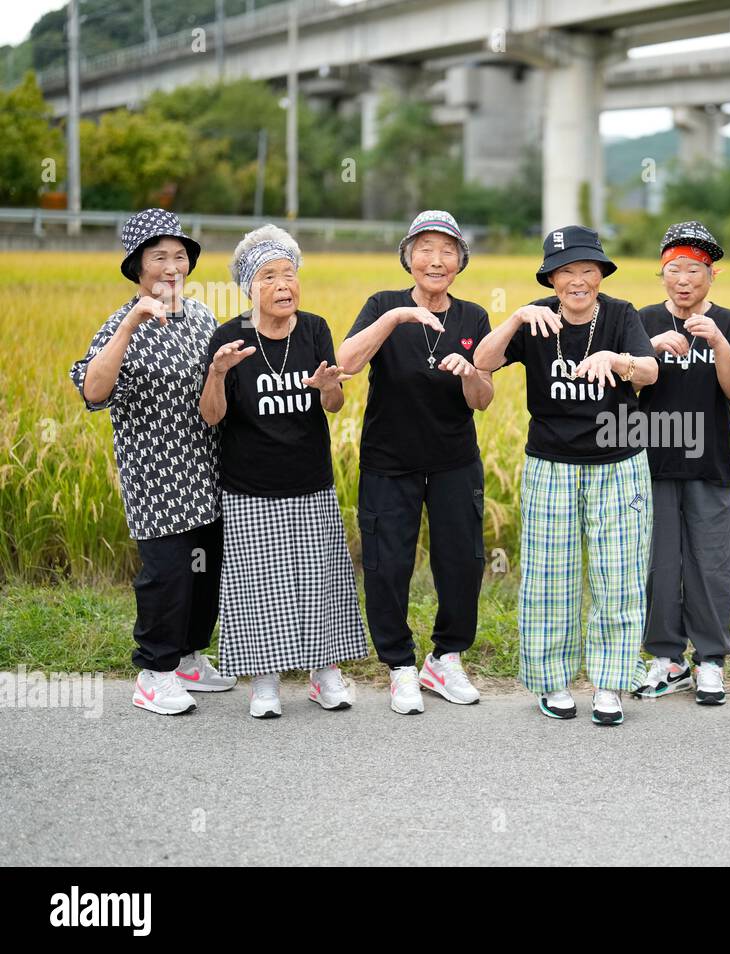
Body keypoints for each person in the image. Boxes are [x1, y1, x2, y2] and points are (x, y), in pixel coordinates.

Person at [473, 226, 657, 726]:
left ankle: (611, 684)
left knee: (618, 576)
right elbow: (481, 363)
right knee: (549, 576)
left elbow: (649, 371)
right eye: (567, 272)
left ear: (600, 274)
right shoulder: (533, 319)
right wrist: (513, 320)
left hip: (619, 465)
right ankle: (552, 681)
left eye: (588, 270)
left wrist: (615, 359)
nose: (579, 280)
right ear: (552, 279)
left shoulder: (620, 314)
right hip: (550, 464)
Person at [70, 208, 235, 715]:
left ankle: (186, 658)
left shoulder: (203, 316)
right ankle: (154, 672)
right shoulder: (125, 321)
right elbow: (94, 391)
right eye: (158, 257)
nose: (171, 266)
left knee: (204, 573)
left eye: (179, 256)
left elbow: (214, 390)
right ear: (138, 268)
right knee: (167, 577)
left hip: (206, 470)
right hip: (155, 478)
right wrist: (130, 324)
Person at [200, 225, 368, 718]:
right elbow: (211, 416)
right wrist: (217, 373)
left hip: (309, 479)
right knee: (255, 585)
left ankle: (324, 674)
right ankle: (265, 682)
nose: (282, 285)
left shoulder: (315, 329)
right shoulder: (229, 337)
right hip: (249, 485)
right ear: (250, 286)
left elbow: (334, 405)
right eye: (269, 276)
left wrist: (327, 385)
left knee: (320, 579)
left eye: (289, 275)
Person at [337, 211, 494, 715]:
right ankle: (401, 666)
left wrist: (471, 371)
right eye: (425, 248)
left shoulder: (472, 318)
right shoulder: (382, 305)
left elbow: (484, 398)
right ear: (407, 257)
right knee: (387, 565)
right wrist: (396, 319)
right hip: (390, 462)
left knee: (462, 562)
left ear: (460, 262)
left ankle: (445, 658)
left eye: (448, 250)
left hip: (454, 462)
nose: (436, 259)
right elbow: (347, 363)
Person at [634, 221, 730, 705]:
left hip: (710, 462)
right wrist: (650, 349)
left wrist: (719, 342)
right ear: (662, 272)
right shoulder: (639, 320)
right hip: (651, 460)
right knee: (659, 564)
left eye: (694, 270)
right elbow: (626, 386)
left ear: (712, 274)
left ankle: (710, 661)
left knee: (711, 565)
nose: (683, 279)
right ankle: (666, 658)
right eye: (674, 269)